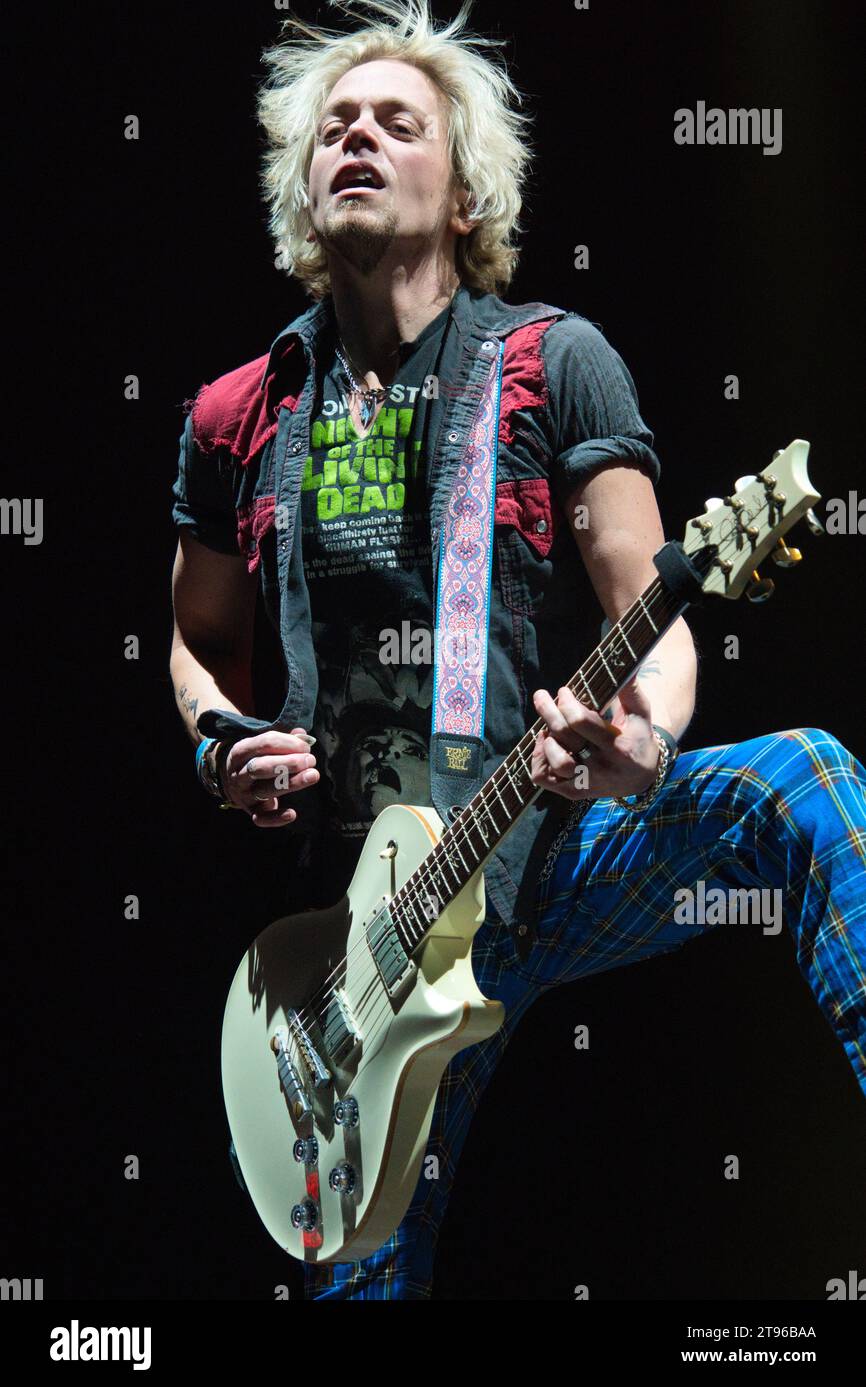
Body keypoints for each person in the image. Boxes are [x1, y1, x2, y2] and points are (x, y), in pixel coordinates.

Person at [168, 0, 866, 1300]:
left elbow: (642, 605)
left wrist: (634, 742)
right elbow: (192, 641)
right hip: (357, 955)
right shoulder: (236, 414)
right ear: (299, 183)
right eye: (333, 128)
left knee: (804, 780)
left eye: (395, 122)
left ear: (463, 181)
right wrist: (219, 748)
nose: (357, 141)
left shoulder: (552, 362)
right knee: (364, 1286)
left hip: (539, 849)